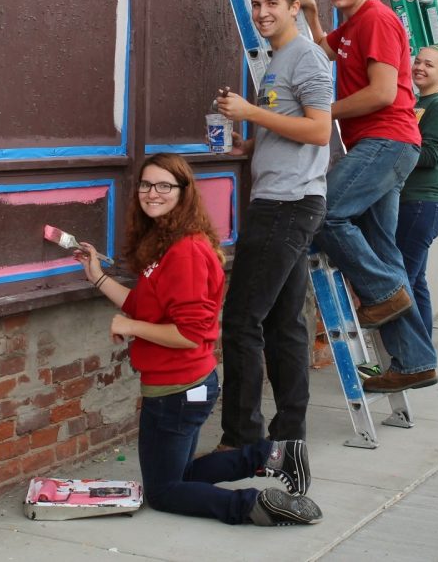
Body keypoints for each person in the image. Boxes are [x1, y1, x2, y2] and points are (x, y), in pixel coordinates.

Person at [73, 154, 323, 527]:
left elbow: (189, 335)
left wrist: (132, 328)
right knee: (181, 476)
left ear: (184, 192)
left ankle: (257, 506)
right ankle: (272, 455)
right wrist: (96, 276)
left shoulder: (185, 252)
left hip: (177, 390)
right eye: (145, 184)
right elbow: (143, 305)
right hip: (182, 386)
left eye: (163, 186)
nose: (151, 193)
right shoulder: (167, 242)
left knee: (163, 492)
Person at [297, 0, 438, 393]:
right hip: (382, 144)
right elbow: (325, 53)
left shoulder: (376, 19)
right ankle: (415, 362)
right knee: (386, 255)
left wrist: (324, 114)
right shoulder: (353, 24)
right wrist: (316, 14)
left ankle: (380, 293)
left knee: (324, 212)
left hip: (387, 140)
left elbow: (381, 94)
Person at [212, 0, 332, 449]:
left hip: (287, 205)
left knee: (242, 321)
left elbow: (320, 131)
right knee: (284, 324)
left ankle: (240, 439)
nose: (262, 13)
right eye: (256, 4)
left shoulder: (306, 57)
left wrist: (252, 113)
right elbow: (291, 128)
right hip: (283, 198)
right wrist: (248, 144)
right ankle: (288, 436)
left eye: (271, 4)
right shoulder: (278, 59)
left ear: (292, 9)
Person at [396, 45, 438, 334]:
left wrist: (392, 151)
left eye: (429, 65)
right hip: (414, 203)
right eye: (418, 62)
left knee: (401, 284)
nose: (420, 67)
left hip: (423, 204)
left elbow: (432, 155)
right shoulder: (418, 103)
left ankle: (411, 358)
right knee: (417, 281)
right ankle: (423, 351)